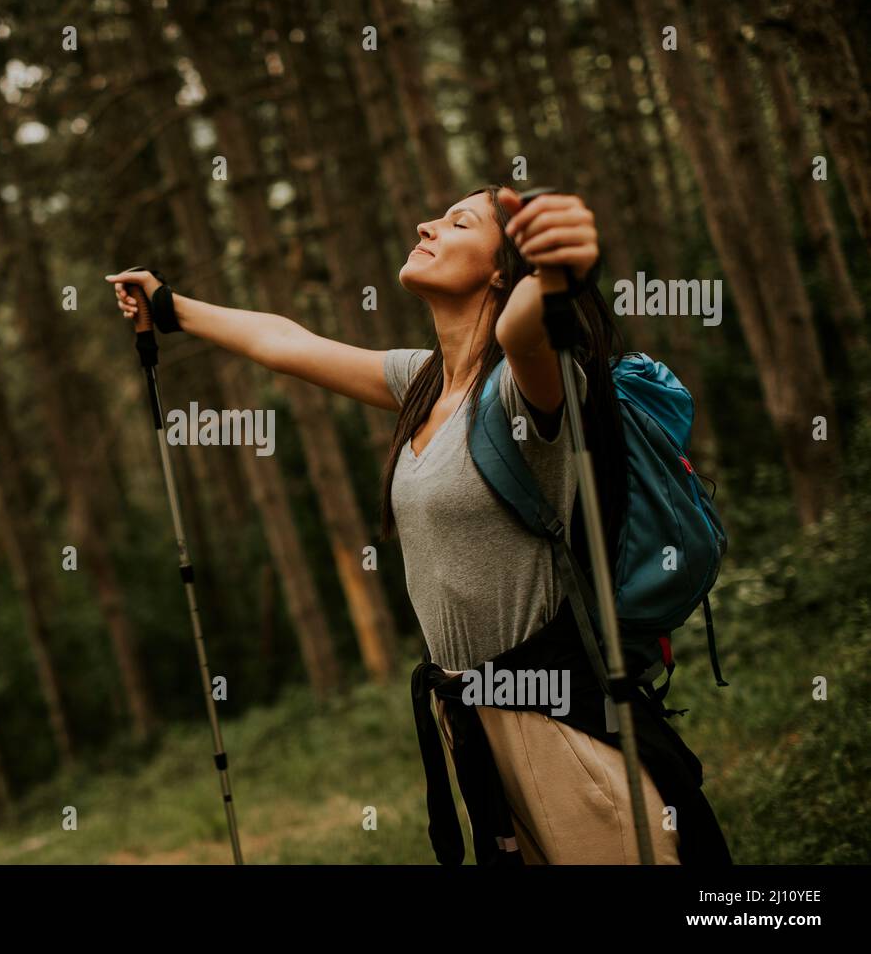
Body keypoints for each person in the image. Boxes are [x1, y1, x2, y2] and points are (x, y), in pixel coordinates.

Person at [105, 186, 717, 864]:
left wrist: (554, 276)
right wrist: (169, 306)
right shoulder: (423, 382)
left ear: (499, 271)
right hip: (474, 721)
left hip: (557, 723)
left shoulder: (526, 387)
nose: (426, 223)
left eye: (458, 222)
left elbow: (522, 331)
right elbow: (285, 342)